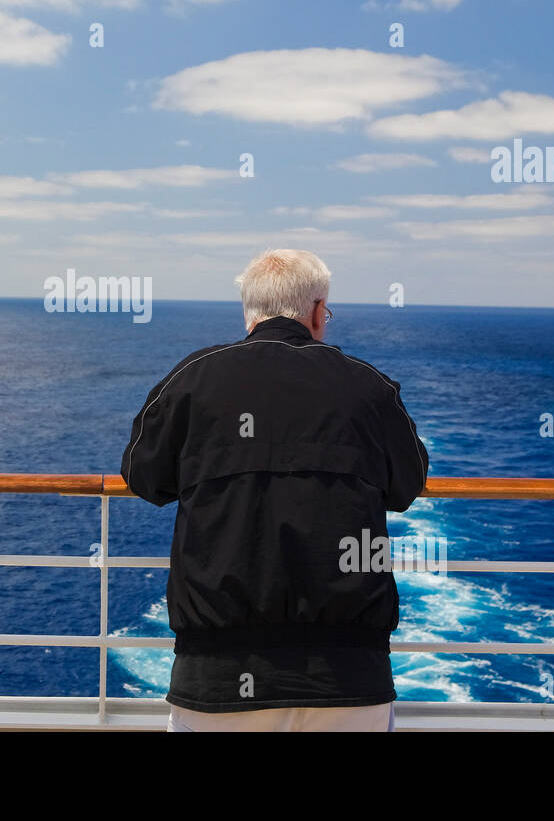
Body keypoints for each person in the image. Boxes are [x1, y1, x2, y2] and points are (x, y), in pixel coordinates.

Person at [120, 248, 428, 731]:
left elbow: (144, 478)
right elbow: (407, 485)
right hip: (348, 677)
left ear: (249, 313)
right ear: (316, 312)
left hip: (218, 677)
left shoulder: (192, 380)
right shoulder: (369, 388)